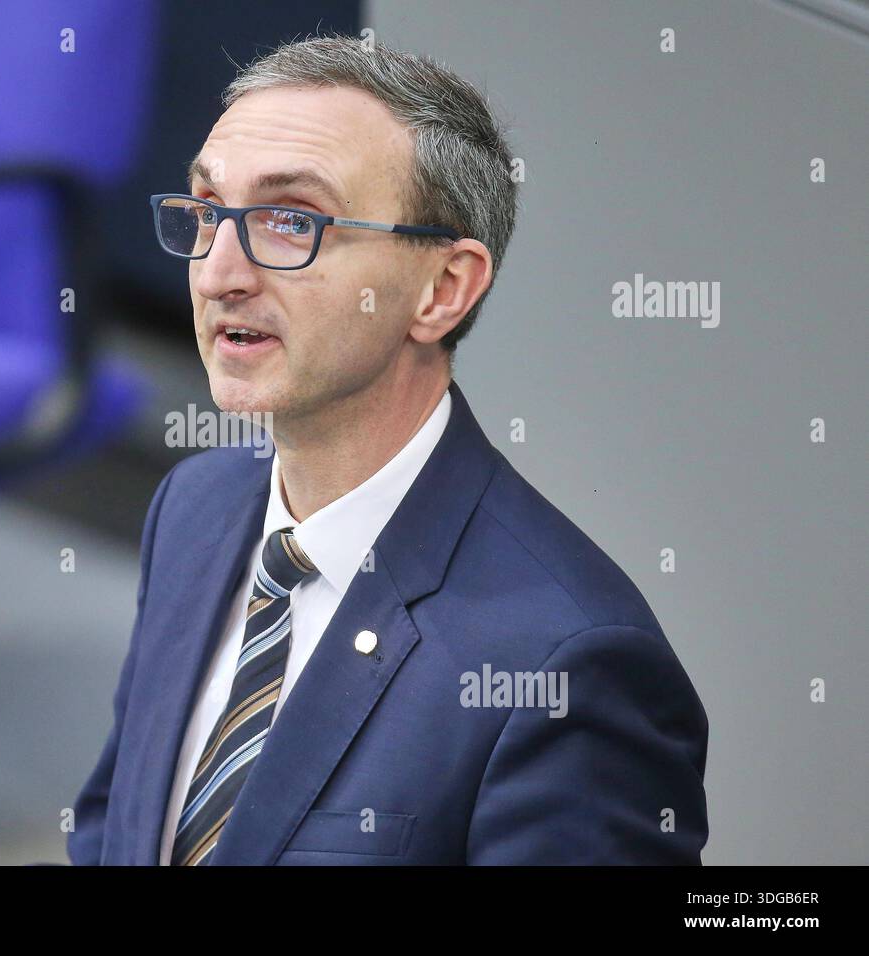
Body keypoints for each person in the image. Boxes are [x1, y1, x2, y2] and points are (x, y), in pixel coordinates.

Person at [68, 34, 708, 865]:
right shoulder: (194, 506)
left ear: (443, 290)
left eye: (290, 220)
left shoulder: (568, 665)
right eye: (206, 213)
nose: (220, 272)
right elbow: (110, 835)